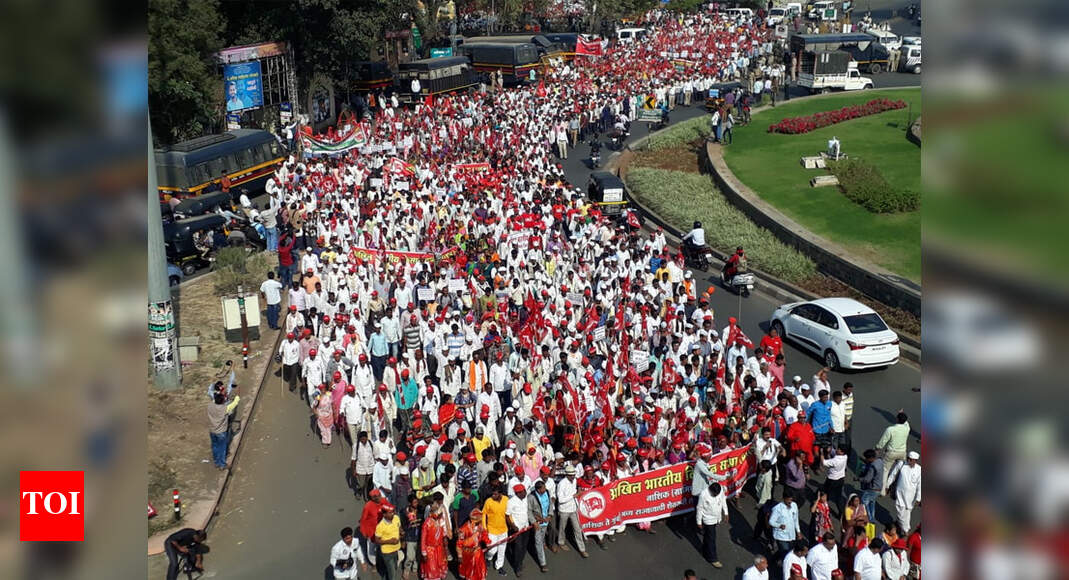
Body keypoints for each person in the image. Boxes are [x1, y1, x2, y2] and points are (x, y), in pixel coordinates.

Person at [555, 464, 588, 557]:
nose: (573, 476)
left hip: (573, 509)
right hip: (564, 510)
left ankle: (582, 549)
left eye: (574, 474)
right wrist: (574, 496)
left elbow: (576, 492)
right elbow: (560, 500)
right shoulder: (561, 484)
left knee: (577, 529)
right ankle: (561, 542)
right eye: (571, 475)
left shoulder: (575, 481)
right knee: (562, 528)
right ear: (567, 475)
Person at [696, 481, 728, 567]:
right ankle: (713, 558)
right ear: (710, 490)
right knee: (712, 538)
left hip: (717, 518)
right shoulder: (703, 494)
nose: (716, 496)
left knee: (708, 536)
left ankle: (705, 551)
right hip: (708, 519)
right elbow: (699, 508)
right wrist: (699, 521)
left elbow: (723, 500)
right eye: (714, 495)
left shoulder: (720, 490)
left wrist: (726, 512)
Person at [207, 390, 239, 469]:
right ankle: (222, 464)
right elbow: (234, 403)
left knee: (215, 446)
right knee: (222, 448)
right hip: (221, 432)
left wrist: (221, 395)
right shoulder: (225, 408)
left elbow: (215, 400)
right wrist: (237, 396)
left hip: (212, 431)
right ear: (222, 401)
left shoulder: (210, 406)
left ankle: (216, 462)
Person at [482, 485, 510, 575]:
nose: (493, 496)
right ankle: (488, 558)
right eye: (492, 494)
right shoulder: (488, 501)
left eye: (495, 494)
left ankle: (499, 566)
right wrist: (484, 528)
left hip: (503, 529)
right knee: (492, 550)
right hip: (492, 530)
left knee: (502, 549)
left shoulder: (506, 500)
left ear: (500, 494)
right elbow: (483, 514)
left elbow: (509, 514)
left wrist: (512, 524)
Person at [457, 507, 490, 580]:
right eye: (479, 520)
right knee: (469, 571)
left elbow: (484, 534)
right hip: (467, 554)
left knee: (478, 570)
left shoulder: (480, 526)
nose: (480, 522)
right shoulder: (464, 529)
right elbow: (459, 543)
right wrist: (459, 556)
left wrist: (488, 543)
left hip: (477, 552)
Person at [527, 479, 552, 573]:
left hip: (546, 522)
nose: (545, 489)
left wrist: (550, 515)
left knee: (541, 539)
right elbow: (529, 511)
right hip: (537, 523)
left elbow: (550, 504)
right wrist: (534, 522)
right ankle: (542, 563)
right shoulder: (531, 497)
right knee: (538, 542)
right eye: (543, 488)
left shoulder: (547, 493)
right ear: (538, 490)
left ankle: (540, 548)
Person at [506, 483, 531, 575]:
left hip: (526, 527)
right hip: (517, 530)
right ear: (518, 493)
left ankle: (520, 561)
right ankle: (517, 567)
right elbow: (507, 516)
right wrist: (513, 526)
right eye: (523, 491)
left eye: (525, 491)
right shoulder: (511, 502)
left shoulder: (525, 499)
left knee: (524, 547)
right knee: (518, 547)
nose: (525, 493)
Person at [373, 503, 402, 580]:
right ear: (384, 514)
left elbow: (399, 527)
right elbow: (377, 540)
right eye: (390, 512)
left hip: (396, 549)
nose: (392, 514)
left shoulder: (396, 518)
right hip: (387, 553)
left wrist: (401, 532)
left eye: (393, 511)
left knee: (394, 568)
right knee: (392, 573)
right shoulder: (380, 526)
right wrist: (390, 541)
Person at [894, 451, 922, 532]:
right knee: (900, 510)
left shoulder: (919, 470)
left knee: (907, 513)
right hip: (900, 494)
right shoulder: (902, 464)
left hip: (911, 497)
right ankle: (906, 531)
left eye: (911, 460)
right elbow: (893, 474)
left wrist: (918, 498)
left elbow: (920, 485)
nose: (909, 461)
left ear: (915, 460)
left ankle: (905, 527)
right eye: (908, 459)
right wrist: (887, 485)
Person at [769, 490, 801, 560]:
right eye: (788, 500)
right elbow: (771, 521)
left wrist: (798, 531)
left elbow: (796, 520)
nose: (790, 502)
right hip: (781, 535)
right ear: (784, 498)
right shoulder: (777, 509)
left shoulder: (794, 505)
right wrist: (779, 525)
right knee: (786, 554)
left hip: (791, 534)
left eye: (791, 500)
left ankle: (773, 559)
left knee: (786, 551)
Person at [420, 505, 449, 580]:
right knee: (431, 570)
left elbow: (444, 534)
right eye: (438, 514)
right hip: (430, 550)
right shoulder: (427, 523)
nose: (440, 515)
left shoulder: (441, 520)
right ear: (432, 513)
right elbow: (423, 539)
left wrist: (446, 547)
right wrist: (424, 553)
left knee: (440, 567)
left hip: (439, 549)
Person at [857, 449, 883, 520]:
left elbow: (867, 479)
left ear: (871, 458)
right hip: (879, 488)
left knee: (864, 502)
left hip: (872, 488)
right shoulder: (880, 461)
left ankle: (868, 518)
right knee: (872, 503)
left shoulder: (872, 467)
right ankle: (872, 518)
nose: (866, 459)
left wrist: (858, 479)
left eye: (867, 458)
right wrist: (864, 460)